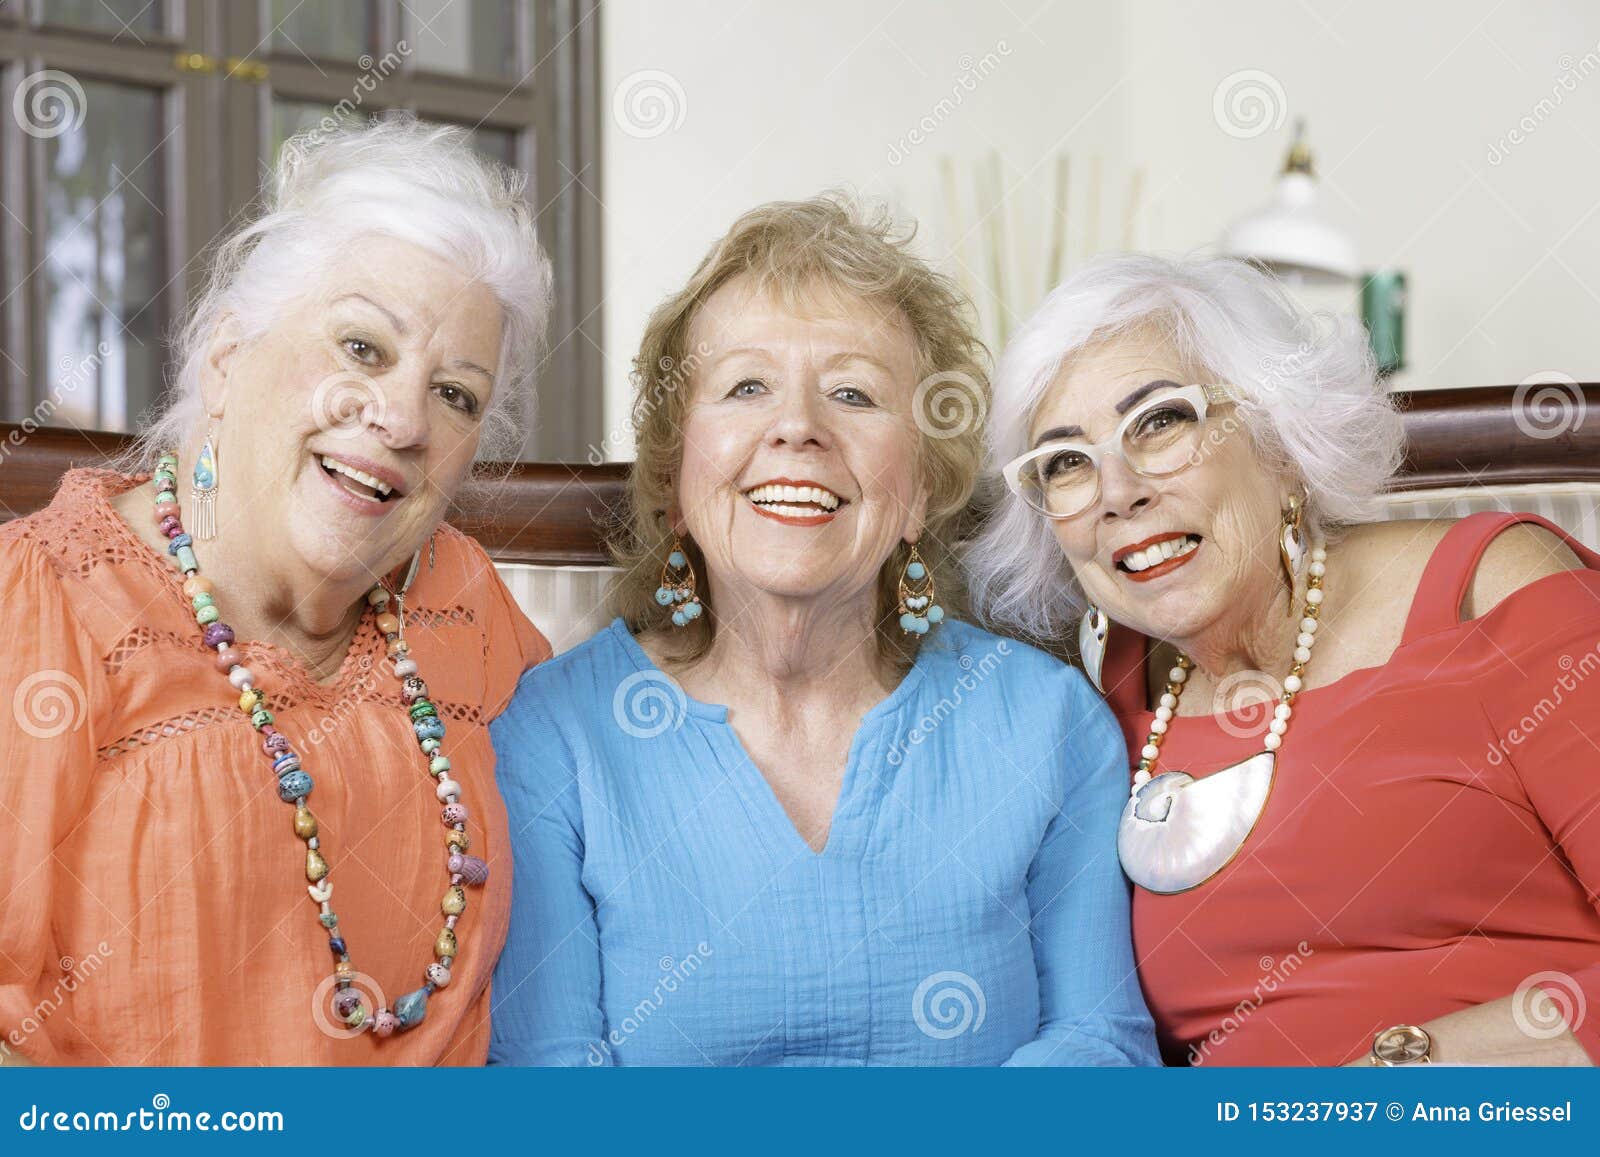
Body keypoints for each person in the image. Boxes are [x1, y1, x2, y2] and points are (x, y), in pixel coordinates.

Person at [488, 197, 1158, 1066]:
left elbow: (1101, 1042)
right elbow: (549, 1082)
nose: (798, 426)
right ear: (674, 471)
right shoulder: (554, 733)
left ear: (918, 488)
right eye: (746, 386)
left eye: (853, 392)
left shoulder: (1050, 724)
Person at [0, 117, 553, 1064]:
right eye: (362, 348)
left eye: (456, 395)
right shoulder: (40, 605)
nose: (401, 418)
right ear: (226, 357)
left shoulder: (464, 603)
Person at [968, 253, 1600, 1066]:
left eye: (1160, 421)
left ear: (1278, 437)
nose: (1116, 490)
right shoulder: (1105, 700)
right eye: (1065, 461)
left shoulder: (1491, 592)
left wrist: (1397, 1075)